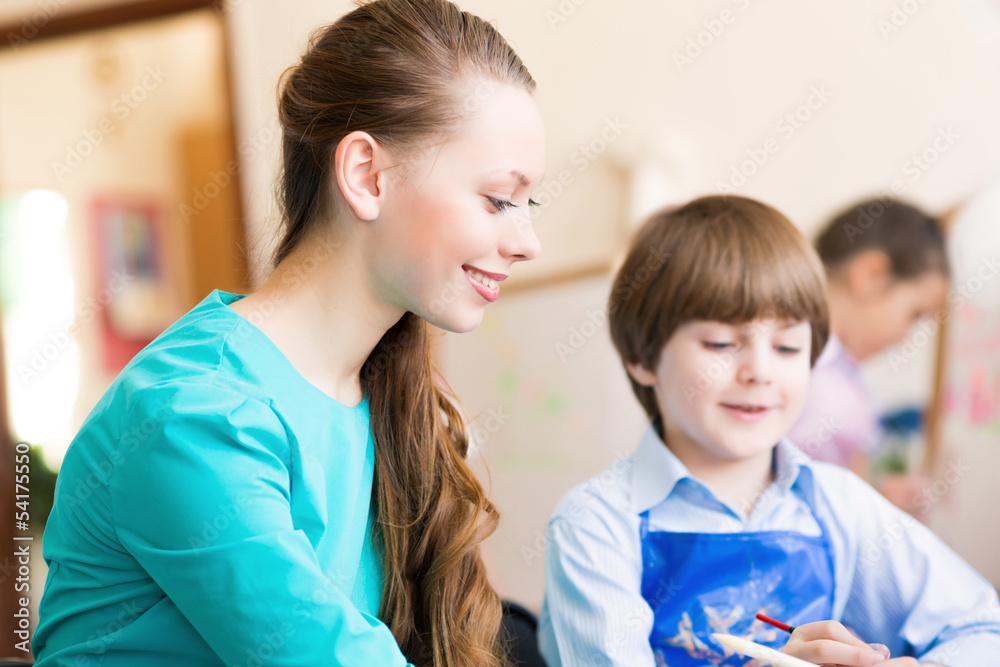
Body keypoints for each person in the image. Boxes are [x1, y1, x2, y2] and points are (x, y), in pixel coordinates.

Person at [32, 1, 544, 665]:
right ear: (366, 176)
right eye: (499, 199)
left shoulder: (393, 399)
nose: (527, 242)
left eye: (529, 204)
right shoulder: (192, 412)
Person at [537, 195, 1000, 667]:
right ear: (642, 357)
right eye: (720, 343)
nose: (759, 371)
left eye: (787, 347)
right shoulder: (595, 525)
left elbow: (983, 626)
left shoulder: (839, 503)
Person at [787, 199, 950, 517]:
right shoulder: (798, 367)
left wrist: (874, 499)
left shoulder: (848, 373)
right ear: (871, 276)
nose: (906, 336)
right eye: (914, 314)